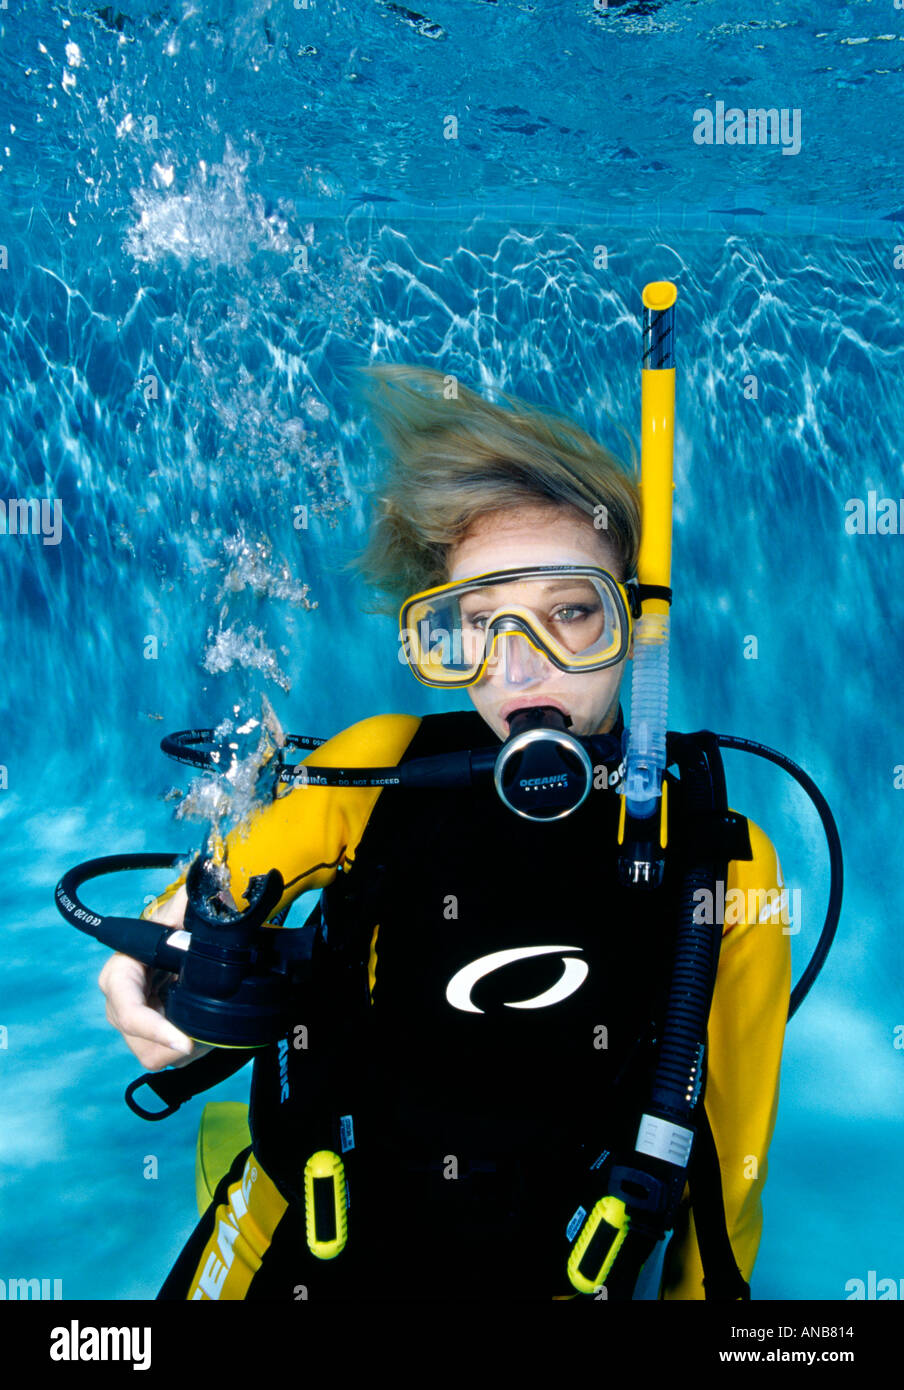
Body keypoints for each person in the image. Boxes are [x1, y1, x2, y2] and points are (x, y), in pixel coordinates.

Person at [99, 364, 791, 1300]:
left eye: (571, 615)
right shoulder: (376, 770)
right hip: (308, 1224)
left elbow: (726, 1170)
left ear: (637, 619)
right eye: (477, 623)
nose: (521, 670)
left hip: (553, 1267)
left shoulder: (724, 861)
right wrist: (144, 969)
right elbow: (189, 915)